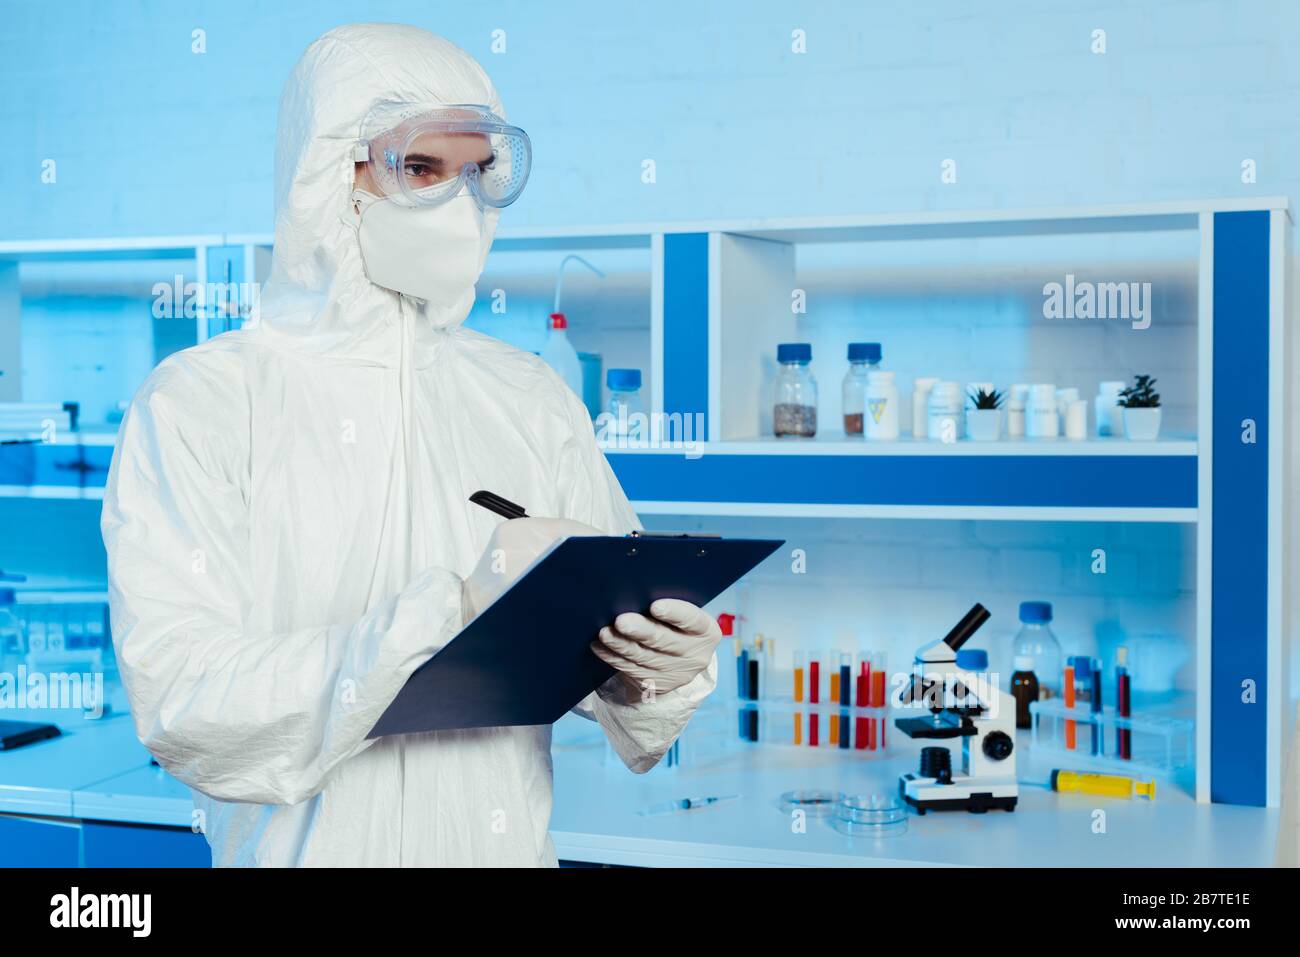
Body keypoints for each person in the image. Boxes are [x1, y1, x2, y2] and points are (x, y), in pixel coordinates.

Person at [100, 23, 721, 867]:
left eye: (475, 173)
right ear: (329, 174)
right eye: (420, 169)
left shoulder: (527, 396)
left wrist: (657, 664)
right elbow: (184, 702)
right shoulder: (204, 403)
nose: (457, 202)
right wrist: (446, 618)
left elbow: (621, 689)